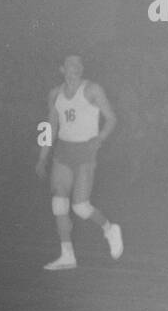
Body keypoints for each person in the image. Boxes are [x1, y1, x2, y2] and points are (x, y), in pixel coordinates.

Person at [36, 54, 124, 270]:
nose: (74, 68)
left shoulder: (92, 89)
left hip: (85, 151)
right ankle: (67, 255)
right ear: (62, 69)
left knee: (81, 206)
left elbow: (112, 118)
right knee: (58, 203)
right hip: (63, 151)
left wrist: (100, 138)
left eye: (78, 64)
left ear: (82, 69)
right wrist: (42, 157)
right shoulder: (55, 94)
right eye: (69, 64)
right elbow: (51, 126)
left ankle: (109, 228)